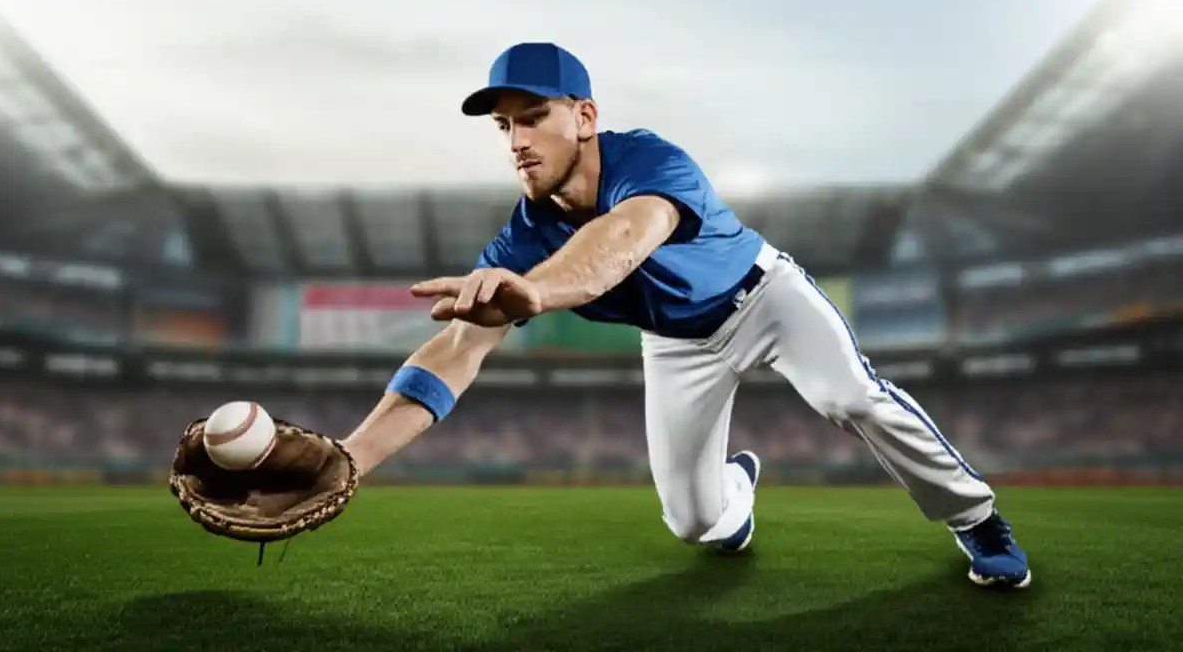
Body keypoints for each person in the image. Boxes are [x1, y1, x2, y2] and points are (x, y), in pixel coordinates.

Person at [340, 42, 1031, 589]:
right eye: (504, 125)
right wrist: (350, 459)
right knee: (696, 523)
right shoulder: (517, 240)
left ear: (584, 117)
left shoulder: (648, 160)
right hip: (676, 344)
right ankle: (736, 489)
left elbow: (622, 239)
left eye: (534, 116)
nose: (517, 139)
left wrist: (540, 292)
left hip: (764, 300)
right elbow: (456, 349)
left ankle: (976, 517)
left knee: (849, 396)